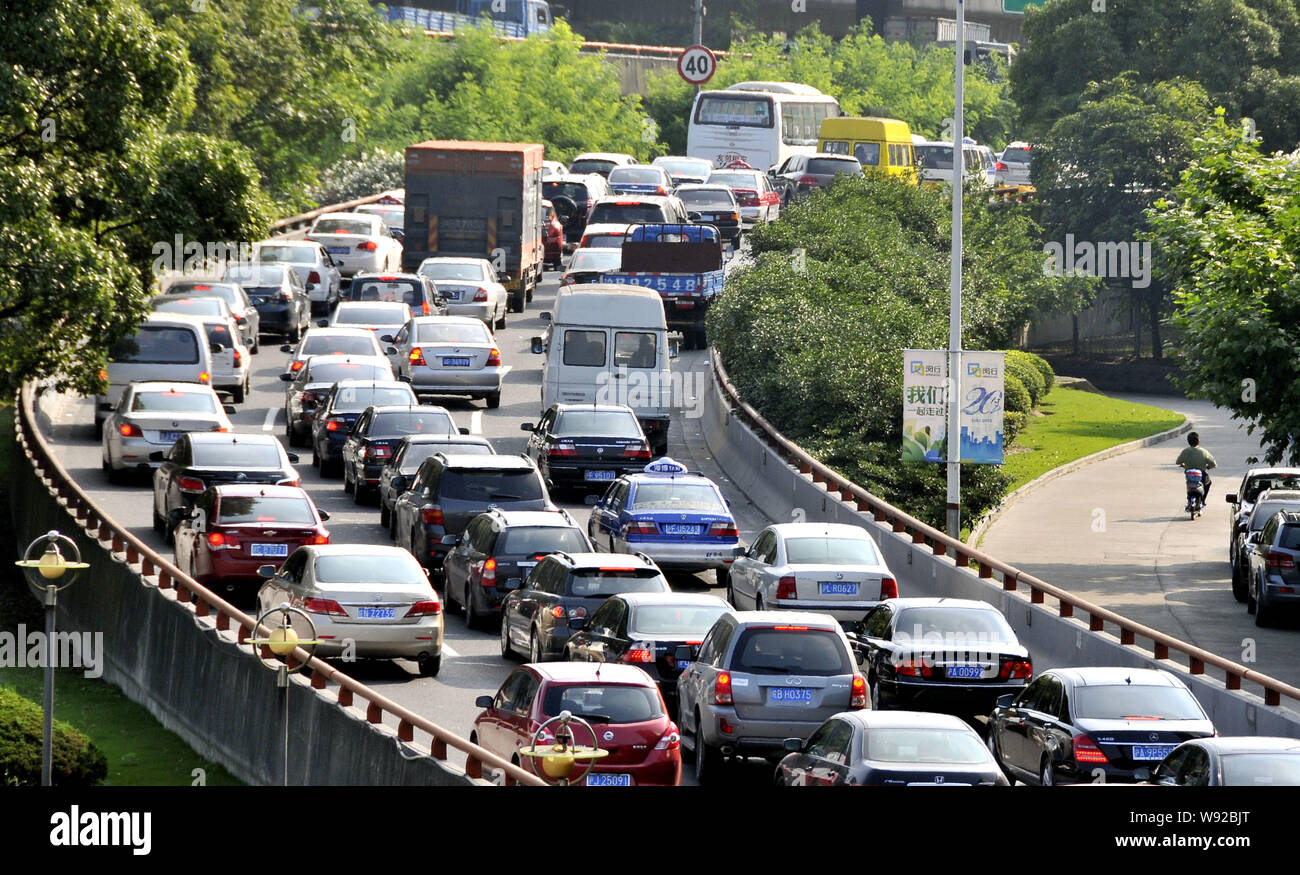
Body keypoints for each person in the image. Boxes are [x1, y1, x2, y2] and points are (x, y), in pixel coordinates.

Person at [1176, 432, 1217, 502]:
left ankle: (1189, 497)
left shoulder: (1185, 451)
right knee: (1208, 483)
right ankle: (1203, 500)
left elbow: (1178, 462)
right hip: (1201, 474)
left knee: (1189, 483)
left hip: (1189, 474)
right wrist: (1208, 467)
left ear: (1188, 442)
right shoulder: (1204, 452)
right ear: (1198, 441)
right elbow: (1213, 464)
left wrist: (1184, 465)